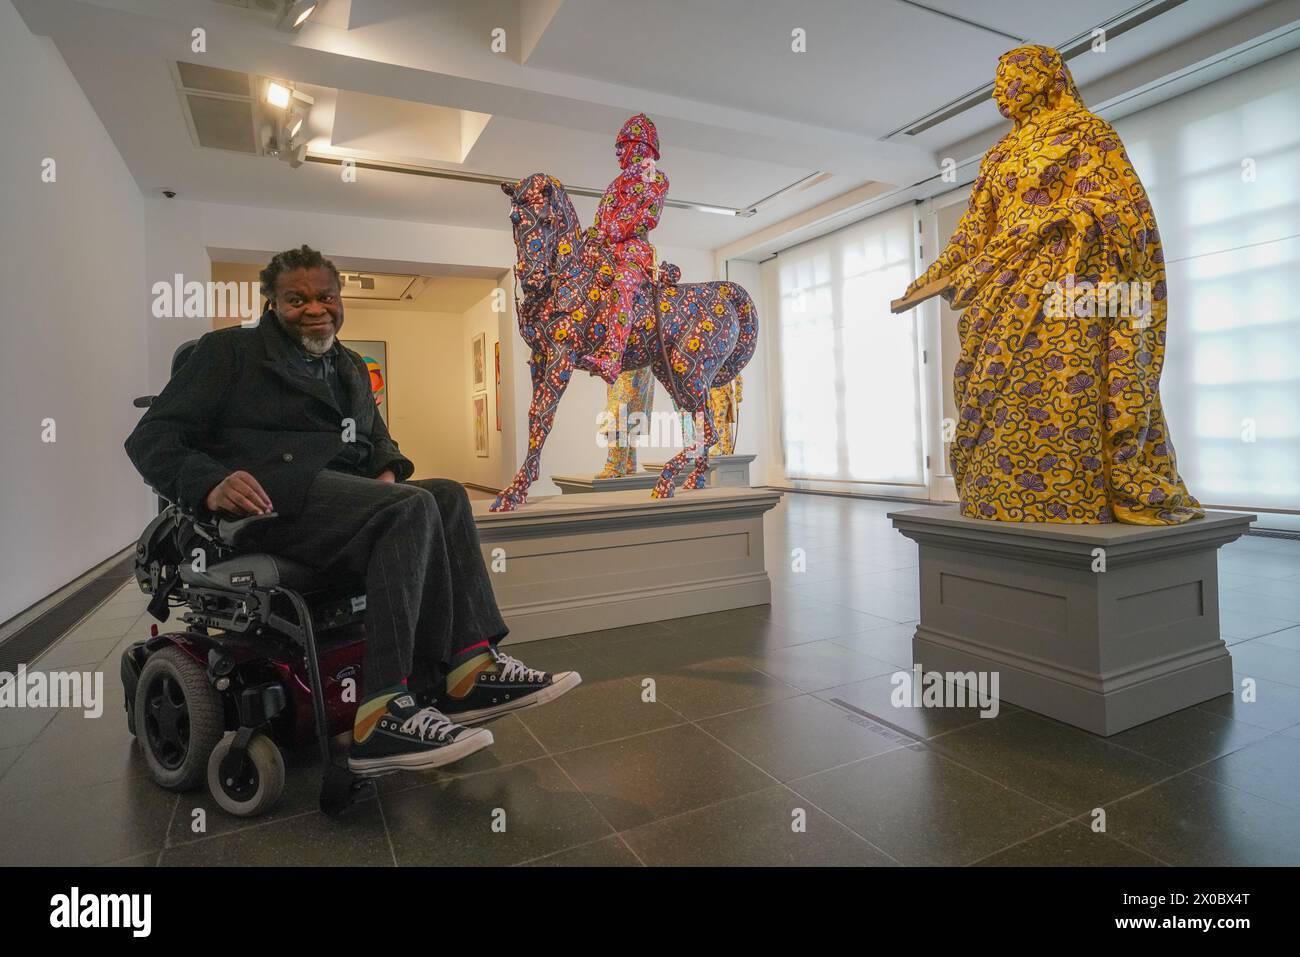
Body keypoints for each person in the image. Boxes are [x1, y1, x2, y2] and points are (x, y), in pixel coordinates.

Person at [125, 245, 580, 776]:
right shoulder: (228, 353)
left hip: (335, 502)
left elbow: (379, 440)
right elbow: (151, 437)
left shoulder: (350, 367)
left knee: (447, 495)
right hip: (267, 508)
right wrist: (210, 484)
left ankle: (468, 671)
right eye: (297, 299)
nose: (315, 309)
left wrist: (385, 473)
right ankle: (381, 715)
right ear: (271, 303)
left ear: (340, 300)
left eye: (326, 297)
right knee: (410, 509)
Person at [896, 45, 1202, 525]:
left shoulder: (1089, 134)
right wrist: (927, 280)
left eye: (1012, 76)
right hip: (1004, 290)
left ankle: (1073, 496)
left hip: (1070, 287)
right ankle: (998, 493)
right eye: (998, 78)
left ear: (1046, 79)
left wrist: (1056, 218)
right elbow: (975, 232)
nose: (1001, 87)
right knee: (991, 389)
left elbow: (1126, 210)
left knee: (1063, 391)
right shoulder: (998, 156)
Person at [579, 112, 669, 384]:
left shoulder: (655, 177)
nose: (618, 151)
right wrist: (594, 235)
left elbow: (644, 216)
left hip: (634, 251)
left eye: (623, 145)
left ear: (640, 147)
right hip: (606, 249)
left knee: (622, 282)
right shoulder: (613, 186)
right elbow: (600, 220)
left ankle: (612, 359)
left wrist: (607, 231)